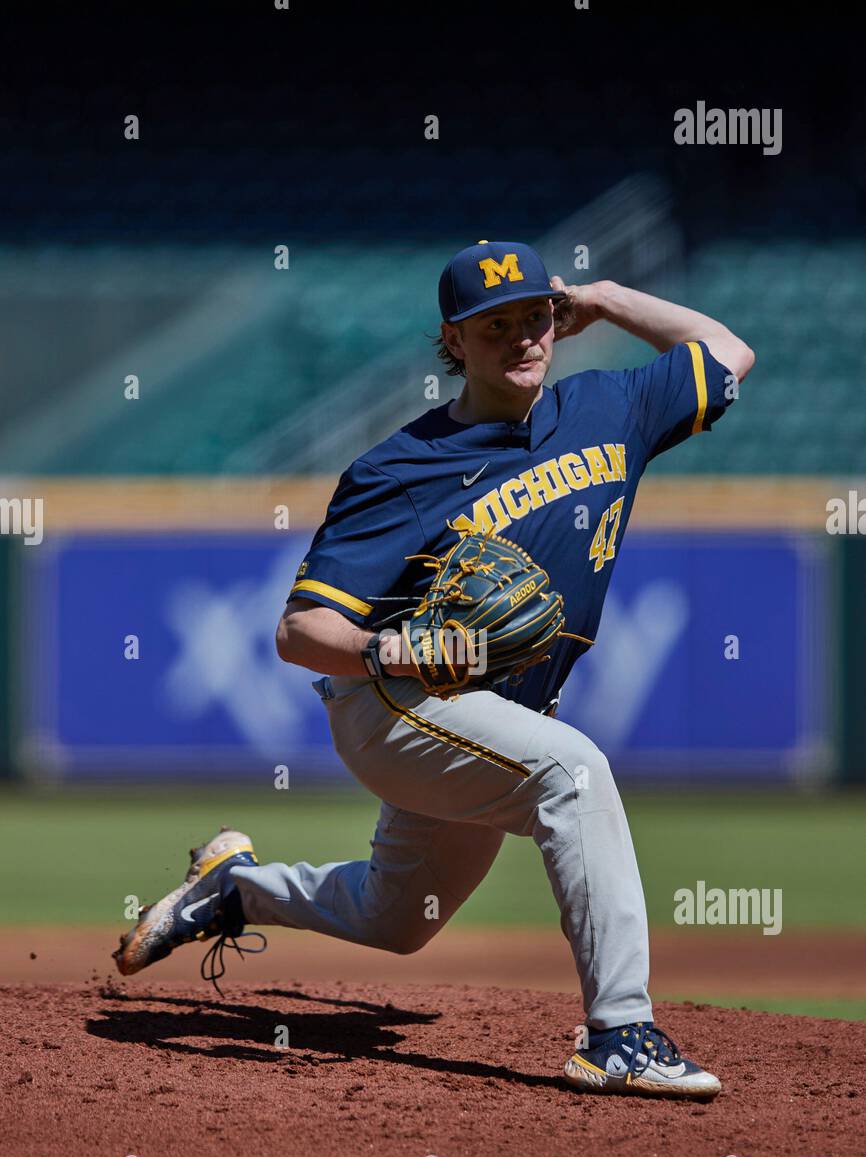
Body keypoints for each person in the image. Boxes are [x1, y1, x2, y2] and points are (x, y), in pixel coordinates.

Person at [115, 240, 754, 1099]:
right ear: (453, 341)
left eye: (537, 317)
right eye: (497, 327)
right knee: (575, 773)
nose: (524, 339)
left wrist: (603, 295)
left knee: (398, 916)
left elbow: (728, 352)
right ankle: (621, 1035)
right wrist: (396, 647)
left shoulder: (611, 406)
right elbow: (299, 630)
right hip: (392, 704)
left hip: (483, 715)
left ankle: (232, 890)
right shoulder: (399, 469)